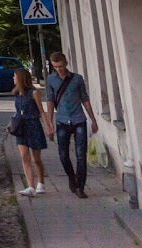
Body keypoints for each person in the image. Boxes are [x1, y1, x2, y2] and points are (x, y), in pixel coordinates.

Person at [44, 51, 100, 197]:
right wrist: (49, 123)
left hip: (78, 119)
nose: (59, 69)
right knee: (63, 154)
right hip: (62, 120)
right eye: (55, 67)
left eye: (61, 66)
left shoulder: (77, 79)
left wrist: (93, 119)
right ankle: (71, 177)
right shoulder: (51, 80)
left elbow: (85, 99)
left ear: (66, 63)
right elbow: (50, 101)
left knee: (81, 154)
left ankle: (80, 187)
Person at [11, 68, 48, 196]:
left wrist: (48, 127)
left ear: (20, 78)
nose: (13, 78)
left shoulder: (34, 93)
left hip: (34, 125)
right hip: (21, 127)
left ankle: (41, 182)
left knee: (36, 159)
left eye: (14, 76)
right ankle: (30, 187)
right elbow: (17, 111)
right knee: (24, 156)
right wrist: (11, 124)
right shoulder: (17, 94)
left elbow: (41, 111)